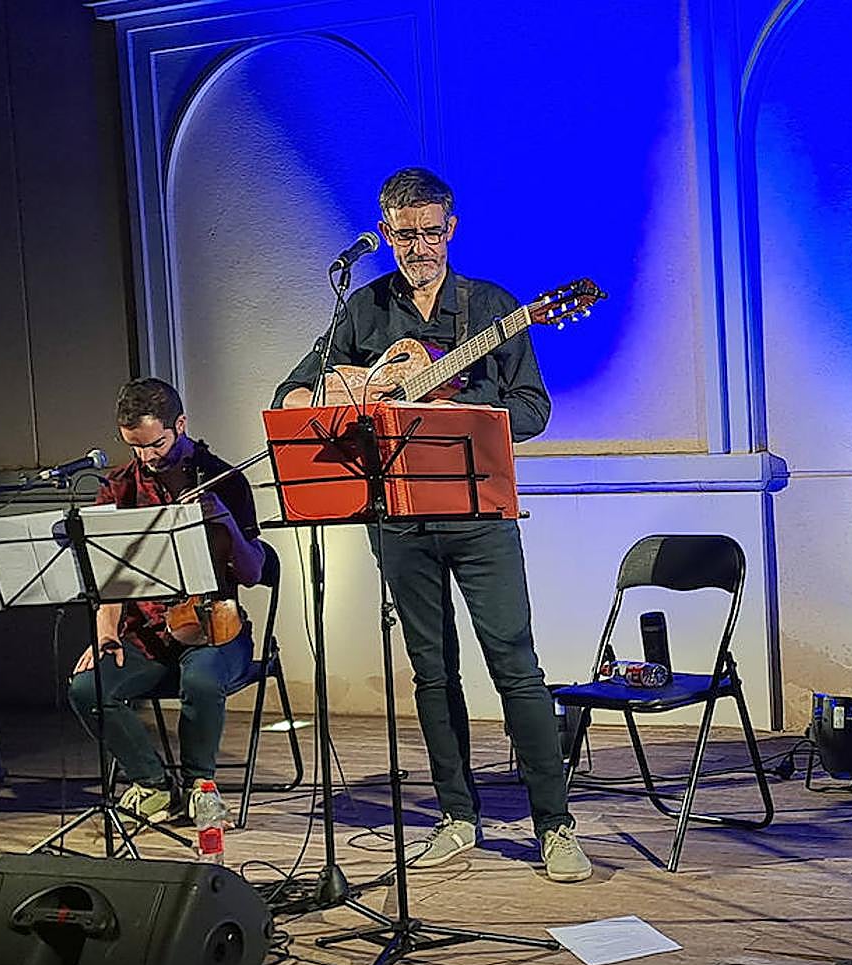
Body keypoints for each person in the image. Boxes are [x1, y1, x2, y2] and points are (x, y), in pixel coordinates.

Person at [271, 166, 590, 882]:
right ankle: (457, 815)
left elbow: (533, 409)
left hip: (478, 514)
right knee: (431, 671)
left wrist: (463, 414)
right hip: (397, 518)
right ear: (385, 234)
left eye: (431, 232)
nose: (419, 246)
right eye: (405, 234)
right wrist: (359, 385)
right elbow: (291, 395)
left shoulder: (495, 307)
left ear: (452, 228)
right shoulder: (362, 310)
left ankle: (554, 825)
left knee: (515, 665)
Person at [67, 378, 266, 827]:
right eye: (135, 448)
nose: (147, 458)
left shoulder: (225, 480)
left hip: (214, 630)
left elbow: (255, 572)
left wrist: (225, 522)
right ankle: (153, 784)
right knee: (86, 689)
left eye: (155, 444)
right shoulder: (118, 488)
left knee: (202, 679)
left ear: (180, 424)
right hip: (147, 635)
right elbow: (111, 576)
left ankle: (201, 787)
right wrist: (105, 633)